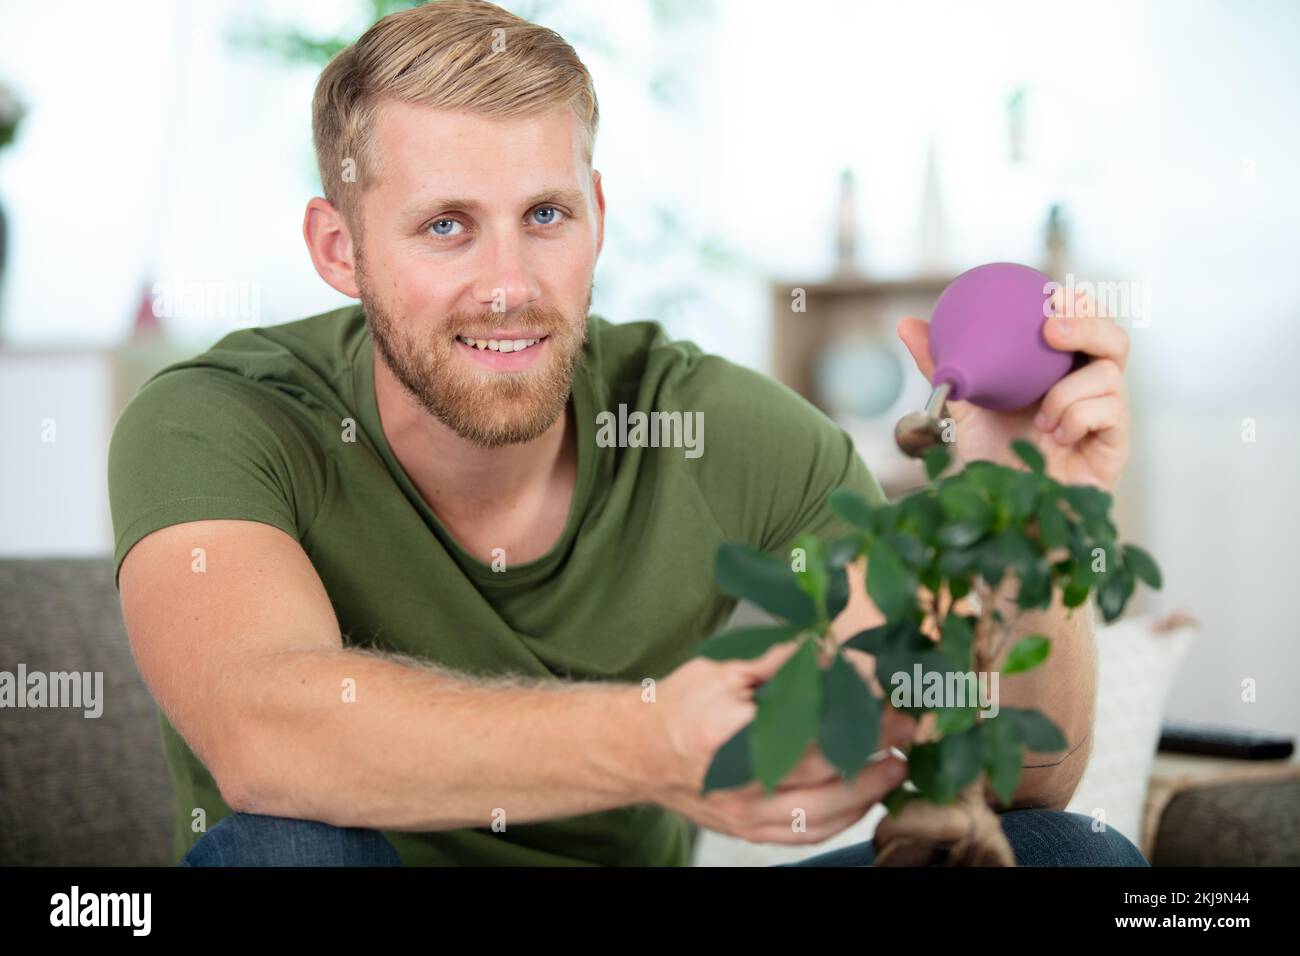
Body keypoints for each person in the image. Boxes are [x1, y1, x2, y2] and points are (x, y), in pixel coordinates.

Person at [108, 0, 1142, 867]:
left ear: (596, 215)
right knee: (279, 849)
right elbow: (263, 728)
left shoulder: (718, 426)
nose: (509, 287)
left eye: (545, 216)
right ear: (338, 248)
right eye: (446, 225)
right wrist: (653, 740)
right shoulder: (221, 416)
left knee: (1069, 850)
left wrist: (1021, 500)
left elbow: (1022, 772)